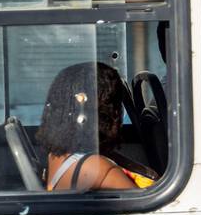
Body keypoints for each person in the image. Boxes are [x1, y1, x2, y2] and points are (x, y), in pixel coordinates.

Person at [38, 62, 157, 192]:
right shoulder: (100, 171)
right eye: (116, 104)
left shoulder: (59, 154)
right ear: (107, 112)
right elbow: (152, 209)